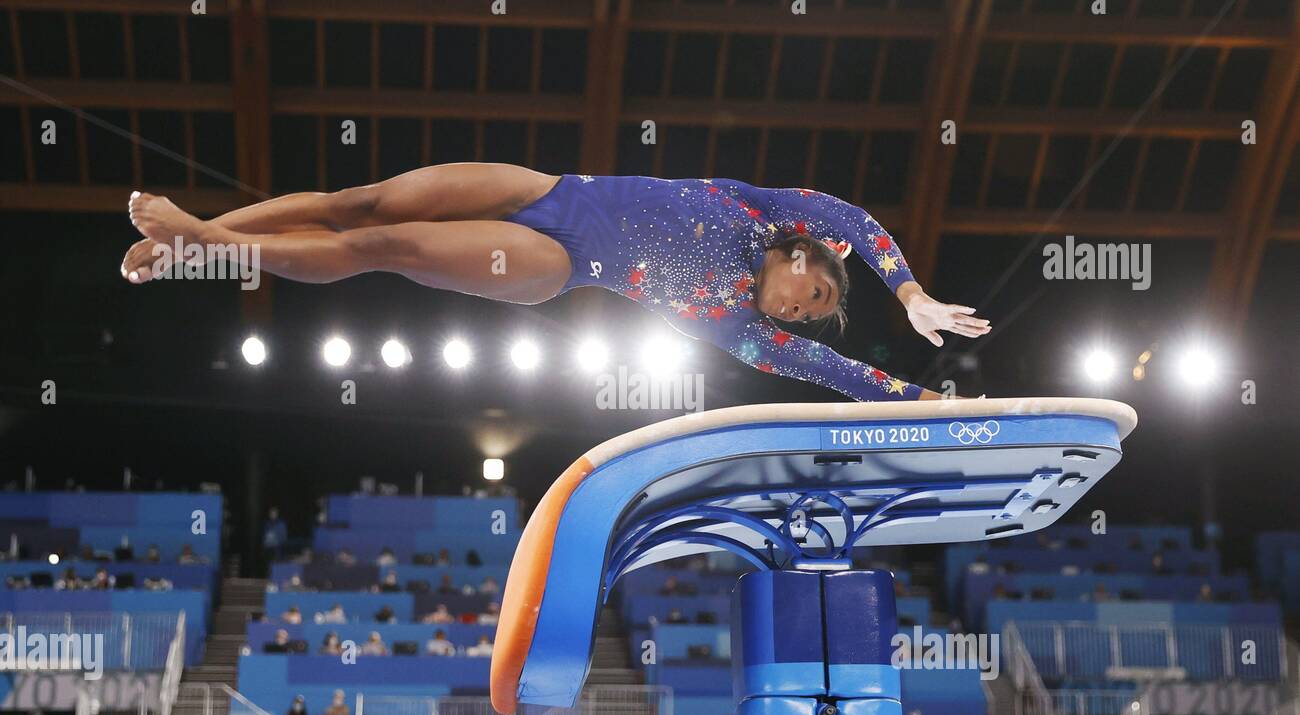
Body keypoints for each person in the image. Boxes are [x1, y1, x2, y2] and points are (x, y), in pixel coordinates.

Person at [123, 164, 989, 401]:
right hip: (547, 189)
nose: (802, 316)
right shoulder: (763, 211)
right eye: (816, 296)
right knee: (363, 199)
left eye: (810, 317)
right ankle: (188, 243)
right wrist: (909, 294)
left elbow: (825, 372)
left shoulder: (737, 325)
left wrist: (918, 400)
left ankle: (198, 239)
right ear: (803, 258)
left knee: (386, 242)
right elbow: (853, 216)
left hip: (556, 264)